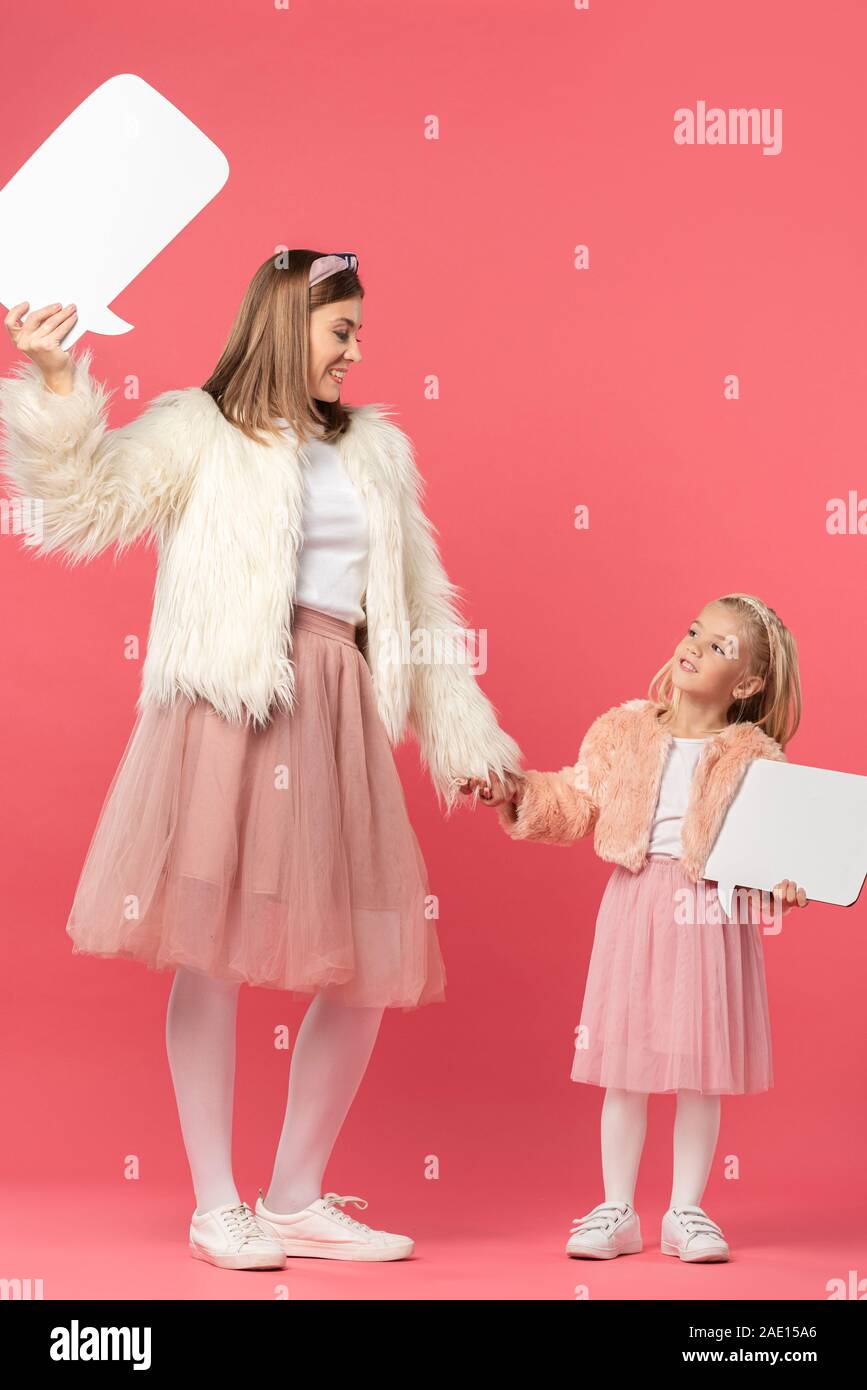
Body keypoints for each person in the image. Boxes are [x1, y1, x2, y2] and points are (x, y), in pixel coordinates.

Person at [0, 250, 523, 1269]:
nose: (358, 352)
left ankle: (294, 1195)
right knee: (211, 947)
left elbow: (419, 610)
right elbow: (75, 506)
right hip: (232, 701)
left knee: (371, 959)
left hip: (334, 702)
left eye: (360, 332)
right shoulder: (199, 427)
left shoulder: (375, 451)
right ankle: (215, 1203)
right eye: (343, 332)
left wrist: (468, 738)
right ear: (289, 326)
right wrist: (58, 388)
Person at [464, 595, 808, 1263]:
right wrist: (516, 792)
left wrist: (784, 885)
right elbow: (575, 798)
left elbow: (769, 855)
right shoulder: (623, 729)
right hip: (633, 903)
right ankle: (615, 1208)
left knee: (699, 1069)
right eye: (692, 632)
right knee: (622, 1063)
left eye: (717, 648)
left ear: (746, 683)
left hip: (711, 913)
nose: (693, 647)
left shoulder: (755, 756)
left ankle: (686, 1211)